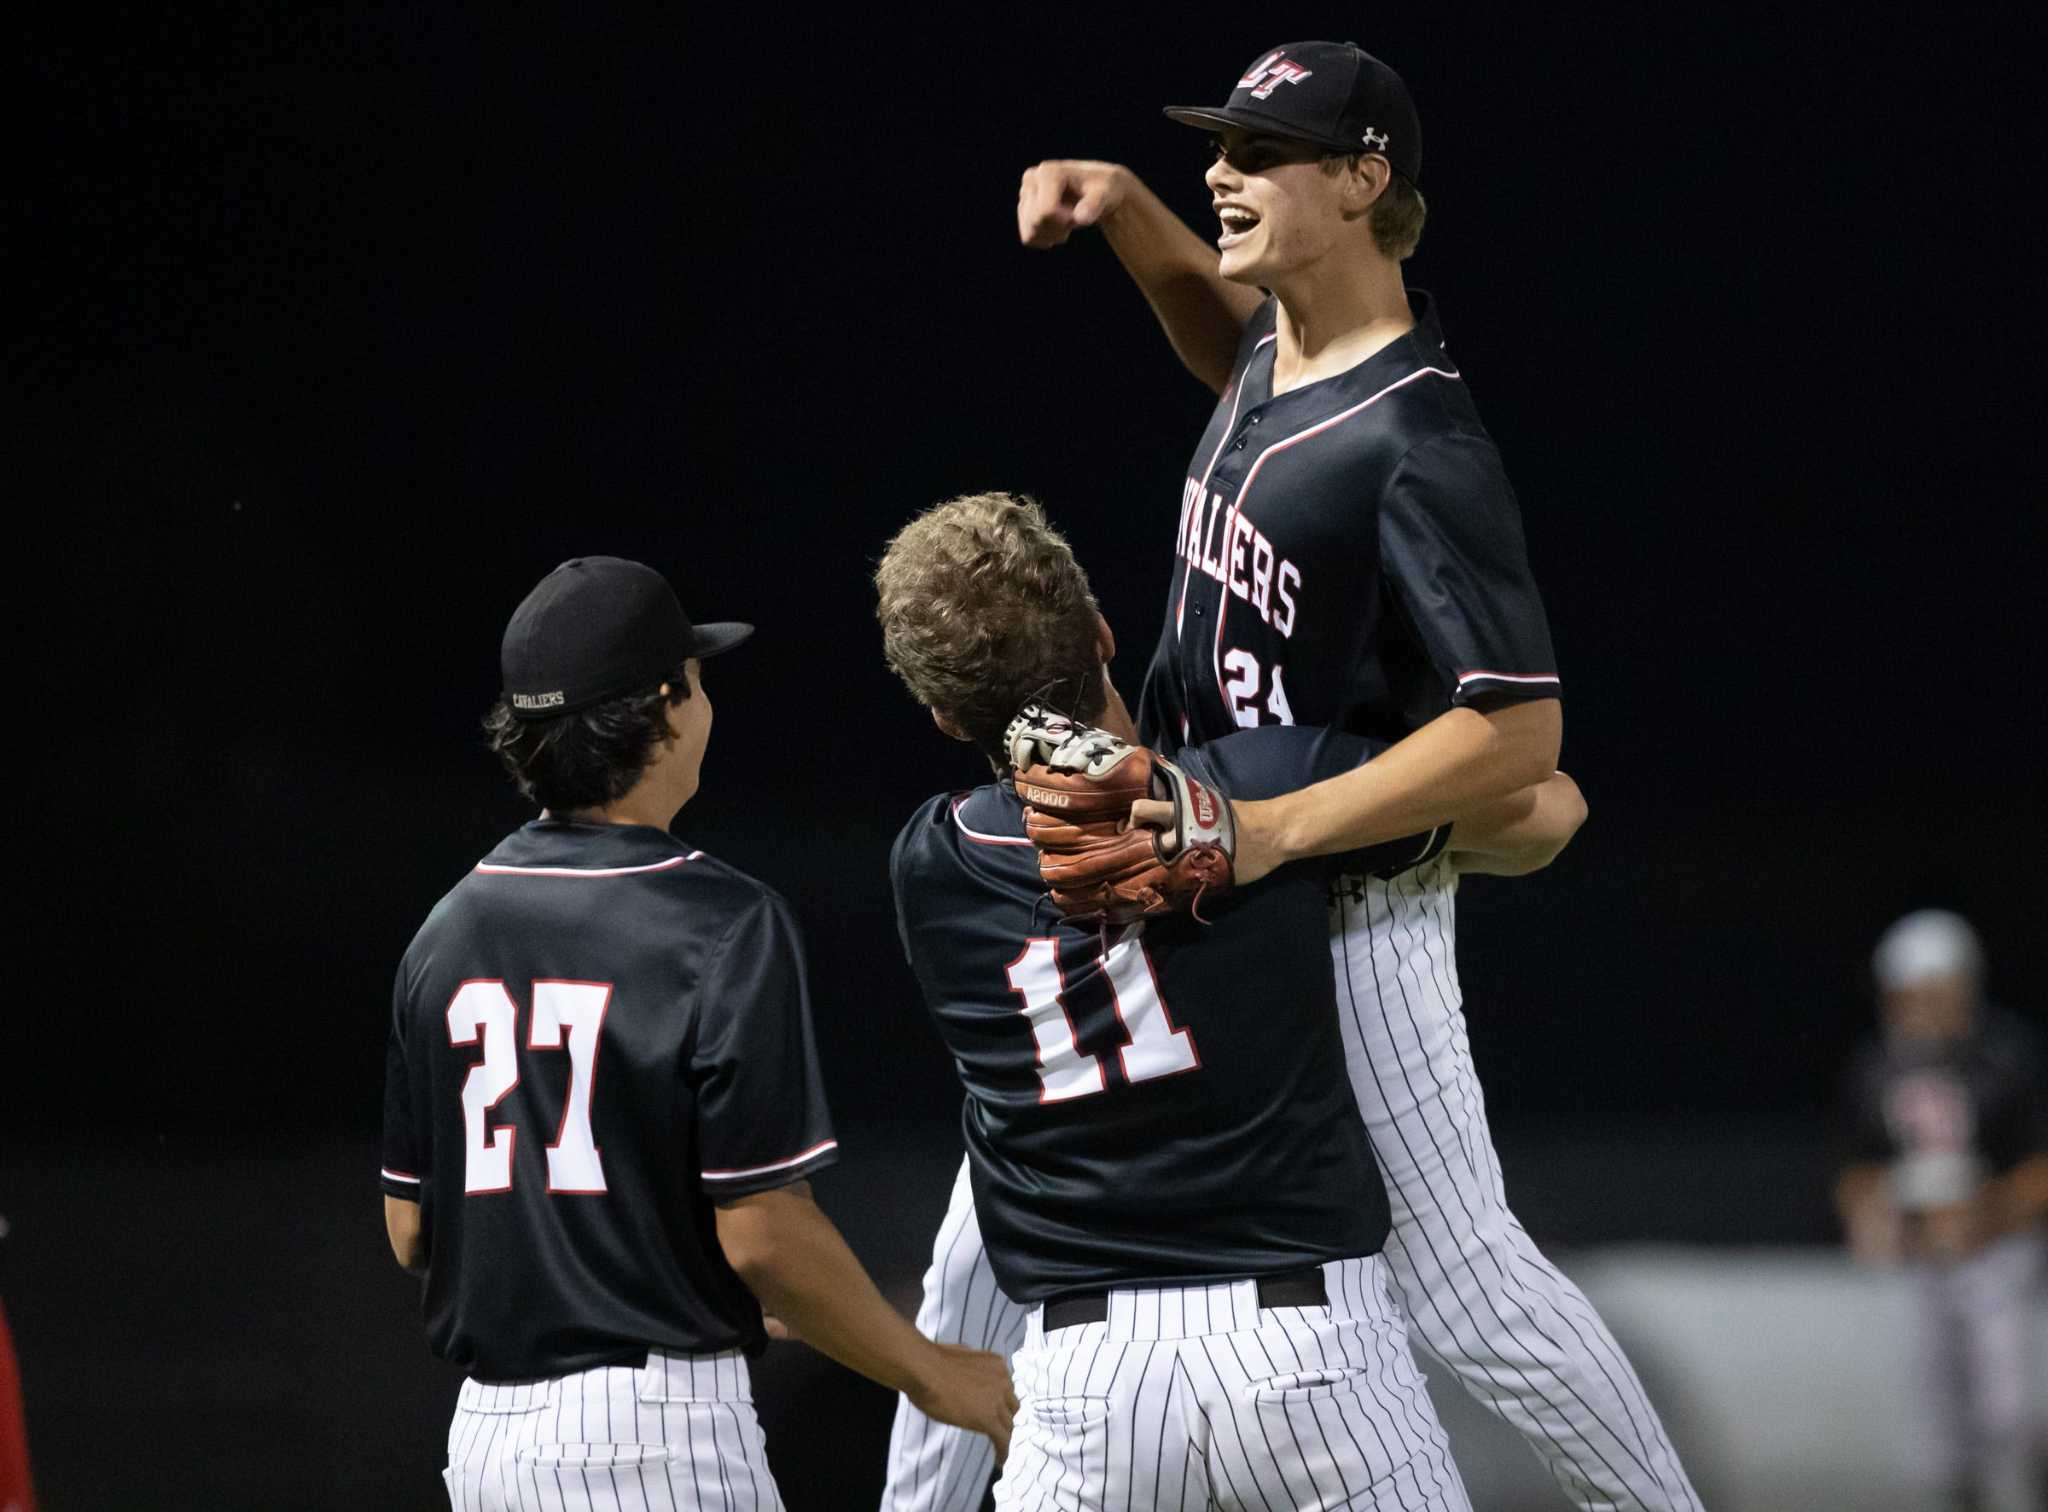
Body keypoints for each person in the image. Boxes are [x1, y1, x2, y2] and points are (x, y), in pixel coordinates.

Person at [880, 41, 1701, 1512]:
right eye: (1221, 151)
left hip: (1328, 897)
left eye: (1260, 156)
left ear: (1365, 179)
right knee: (979, 1249)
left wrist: (1266, 829)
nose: (1225, 173)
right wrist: (1130, 206)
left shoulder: (1421, 436)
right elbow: (1222, 334)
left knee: (1464, 1288)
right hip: (1187, 844)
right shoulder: (1291, 339)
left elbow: (1519, 731)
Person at [874, 492, 1587, 1509]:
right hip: (1308, 1353)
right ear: (1104, 634)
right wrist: (1300, 824)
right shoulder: (1263, 780)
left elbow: (1055, 798)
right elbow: (1549, 817)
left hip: (1083, 1386)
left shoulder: (929, 863)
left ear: (944, 716)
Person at [381, 556, 1014, 1510]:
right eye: (700, 679)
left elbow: (413, 1229)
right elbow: (762, 1235)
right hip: (653, 1440)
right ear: (666, 705)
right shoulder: (717, 920)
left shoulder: (444, 931)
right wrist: (935, 1374)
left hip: (485, 1448)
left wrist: (637, 1261)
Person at [1836, 909, 2048, 1512]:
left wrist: (1988, 1213)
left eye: (1927, 994)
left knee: (2008, 1416)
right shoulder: (1879, 1065)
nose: (1914, 1011)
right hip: (1921, 1259)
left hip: (1998, 1253)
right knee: (1936, 1437)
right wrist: (1869, 1212)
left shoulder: (2006, 1056)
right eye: (1904, 997)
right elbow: (1858, 1168)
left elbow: (2039, 1166)